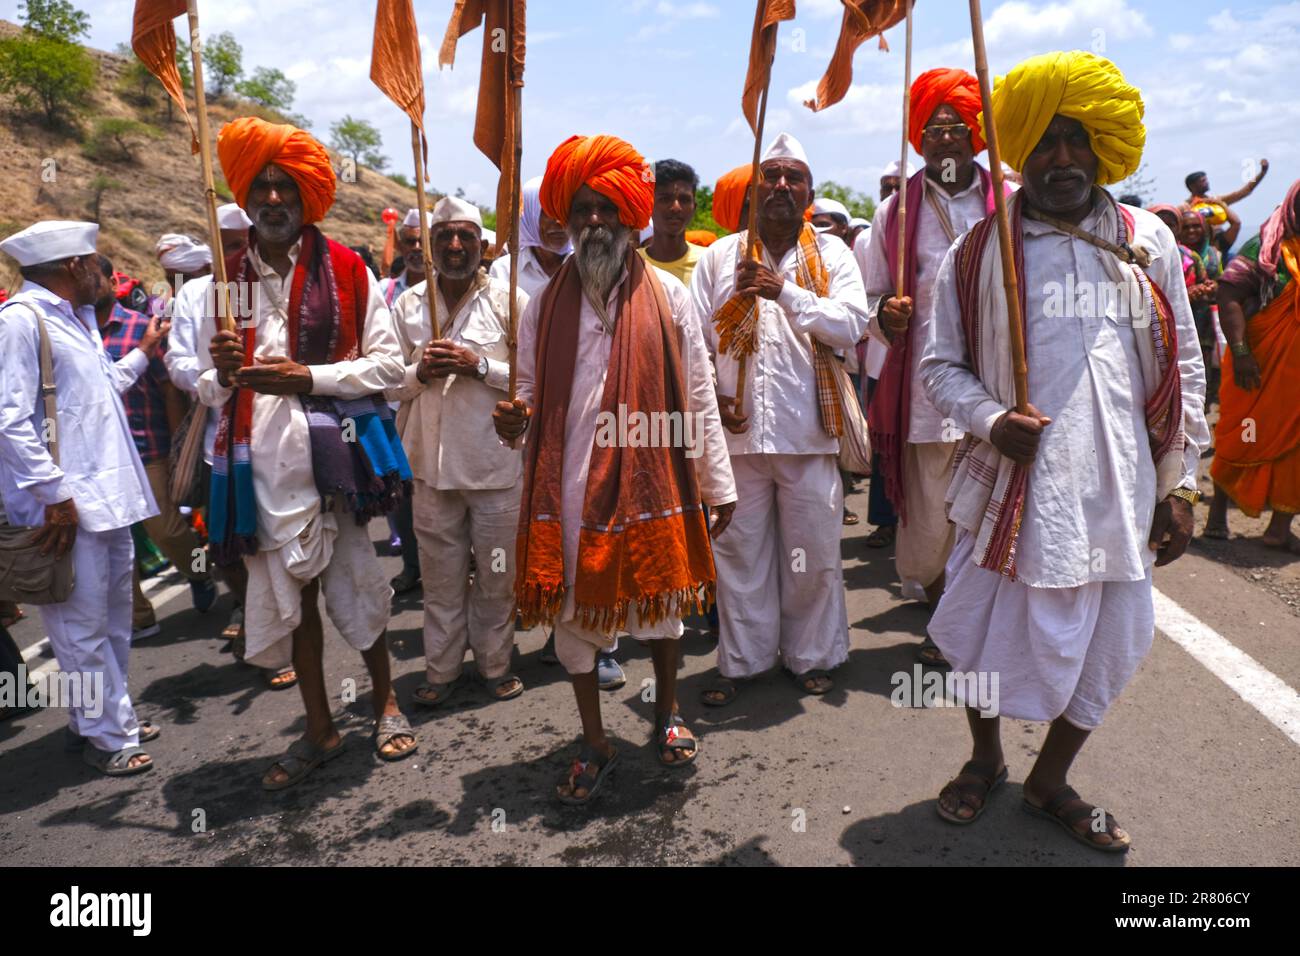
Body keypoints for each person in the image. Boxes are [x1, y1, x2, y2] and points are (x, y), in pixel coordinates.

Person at [919, 51, 1209, 852]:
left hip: (1120, 483)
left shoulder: (1146, 239)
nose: (1060, 160)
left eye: (1075, 141)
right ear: (1020, 155)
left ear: (1102, 147)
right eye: (1043, 144)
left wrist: (1181, 485)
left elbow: (1184, 361)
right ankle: (984, 759)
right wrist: (988, 420)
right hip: (1014, 480)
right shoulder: (979, 253)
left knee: (1114, 641)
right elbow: (938, 366)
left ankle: (1050, 780)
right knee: (977, 628)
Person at [493, 133, 735, 804]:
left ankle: (666, 714)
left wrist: (716, 482)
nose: (595, 223)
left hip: (654, 481)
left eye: (607, 209)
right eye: (583, 210)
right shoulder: (543, 305)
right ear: (566, 220)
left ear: (631, 217)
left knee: (661, 609)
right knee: (575, 618)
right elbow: (528, 395)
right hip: (569, 486)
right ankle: (595, 742)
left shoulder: (668, 297)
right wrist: (514, 419)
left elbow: (698, 395)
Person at [197, 116, 418, 790]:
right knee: (293, 607)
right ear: (244, 197)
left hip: (336, 466)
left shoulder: (347, 268)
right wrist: (222, 367)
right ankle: (319, 728)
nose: (270, 200)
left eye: (283, 187)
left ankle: (384, 704)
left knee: (357, 592)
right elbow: (209, 388)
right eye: (259, 188)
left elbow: (385, 367)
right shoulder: (225, 279)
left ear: (304, 196)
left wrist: (308, 378)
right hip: (259, 470)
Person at [691, 132, 870, 704]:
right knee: (740, 557)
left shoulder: (834, 255)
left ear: (809, 194)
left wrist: (784, 292)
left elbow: (851, 326)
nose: (782, 187)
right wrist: (709, 400)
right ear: (753, 191)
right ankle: (743, 663)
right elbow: (695, 339)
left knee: (812, 556)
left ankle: (812, 656)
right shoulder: (721, 256)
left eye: (794, 178)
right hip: (735, 436)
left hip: (808, 433)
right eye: (771, 176)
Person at [0, 220, 169, 776]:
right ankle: (108, 737)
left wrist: (144, 353)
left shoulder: (75, 320)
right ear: (73, 266)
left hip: (105, 496)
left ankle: (97, 717)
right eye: (98, 262)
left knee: (113, 619)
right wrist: (54, 493)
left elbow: (102, 391)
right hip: (64, 506)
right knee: (79, 628)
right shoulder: (21, 323)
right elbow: (7, 420)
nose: (107, 273)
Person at [862, 67, 1009, 666]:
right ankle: (945, 602)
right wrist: (883, 316)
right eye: (933, 128)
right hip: (926, 391)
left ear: (977, 135)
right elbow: (865, 300)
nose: (945, 138)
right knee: (928, 525)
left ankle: (955, 631)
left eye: (956, 127)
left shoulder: (1010, 199)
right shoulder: (893, 214)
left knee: (988, 515)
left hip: (999, 387)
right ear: (918, 140)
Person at [387, 196, 528, 706]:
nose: (453, 246)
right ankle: (442, 671)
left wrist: (480, 367)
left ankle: (494, 664)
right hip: (429, 467)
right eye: (444, 236)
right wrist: (419, 372)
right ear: (427, 246)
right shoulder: (408, 305)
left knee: (495, 576)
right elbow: (385, 385)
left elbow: (534, 383)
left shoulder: (512, 301)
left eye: (465, 236)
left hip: (495, 466)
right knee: (441, 580)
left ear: (484, 246)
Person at [165, 234, 298, 690]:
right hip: (219, 445)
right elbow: (177, 361)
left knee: (285, 546)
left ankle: (291, 636)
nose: (237, 254)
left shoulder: (282, 280)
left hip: (284, 438)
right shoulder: (195, 295)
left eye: (241, 243)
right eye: (228, 245)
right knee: (232, 545)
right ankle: (255, 622)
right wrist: (215, 376)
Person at [95, 254, 218, 638]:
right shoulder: (73, 333)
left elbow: (170, 387)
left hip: (148, 449)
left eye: (97, 277)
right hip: (98, 457)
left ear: (112, 285)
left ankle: (200, 573)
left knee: (166, 531)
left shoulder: (141, 328)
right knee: (112, 541)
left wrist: (177, 444)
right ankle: (139, 616)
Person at [1205, 178, 1300, 553]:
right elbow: (1228, 295)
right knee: (1240, 436)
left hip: (1294, 379)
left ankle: (1279, 528)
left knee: (1296, 446)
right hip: (1256, 369)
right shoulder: (1266, 246)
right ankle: (1213, 514)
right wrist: (1241, 352)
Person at [490, 175, 573, 298]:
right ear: (529, 215)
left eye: (564, 211)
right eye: (549, 212)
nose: (559, 222)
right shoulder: (505, 271)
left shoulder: (588, 267)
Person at [639, 159, 705, 286]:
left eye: (684, 200)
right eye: (665, 199)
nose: (676, 207)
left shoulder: (709, 262)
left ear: (694, 207)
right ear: (648, 205)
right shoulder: (631, 264)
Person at [1185, 163, 1268, 255]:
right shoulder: (1186, 207)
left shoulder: (1215, 201)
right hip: (1200, 247)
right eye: (1203, 181)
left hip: (1221, 242)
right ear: (1192, 186)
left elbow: (1244, 192)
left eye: (1206, 180)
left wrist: (1262, 173)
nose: (1207, 182)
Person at [381, 208, 431, 309]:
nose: (417, 247)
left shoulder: (446, 290)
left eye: (423, 242)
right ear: (401, 246)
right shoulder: (384, 289)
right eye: (410, 242)